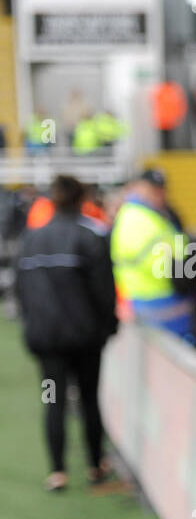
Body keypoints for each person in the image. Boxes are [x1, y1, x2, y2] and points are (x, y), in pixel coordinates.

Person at [14, 176, 117, 491]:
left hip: (46, 340)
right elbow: (104, 291)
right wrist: (107, 325)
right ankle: (95, 466)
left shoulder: (30, 240)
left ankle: (57, 471)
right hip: (84, 338)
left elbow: (21, 293)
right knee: (88, 399)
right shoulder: (90, 237)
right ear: (81, 198)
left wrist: (31, 325)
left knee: (52, 400)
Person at [110, 169, 192, 343]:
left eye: (161, 188)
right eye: (153, 189)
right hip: (157, 309)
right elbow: (170, 269)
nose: (160, 193)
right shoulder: (137, 219)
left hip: (158, 309)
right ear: (137, 187)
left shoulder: (151, 215)